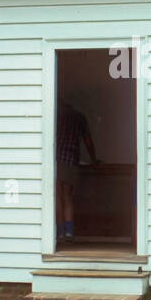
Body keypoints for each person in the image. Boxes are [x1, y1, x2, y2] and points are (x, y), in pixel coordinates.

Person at [56, 101, 97, 241]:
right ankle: (69, 233)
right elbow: (88, 140)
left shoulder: (56, 115)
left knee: (57, 197)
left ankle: (59, 233)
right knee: (67, 197)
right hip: (71, 159)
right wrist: (94, 159)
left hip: (56, 160)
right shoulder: (79, 117)